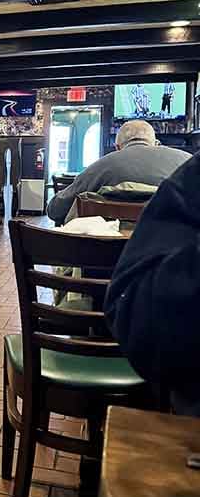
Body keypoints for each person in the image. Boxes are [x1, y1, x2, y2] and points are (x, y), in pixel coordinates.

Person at [105, 152, 200, 416]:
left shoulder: (107, 164)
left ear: (120, 143)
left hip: (137, 314)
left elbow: (56, 207)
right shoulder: (180, 159)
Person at [46, 119, 190, 225]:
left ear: (117, 147)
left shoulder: (101, 166)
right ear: (156, 143)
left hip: (109, 254)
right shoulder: (187, 161)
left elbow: (55, 210)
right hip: (178, 254)